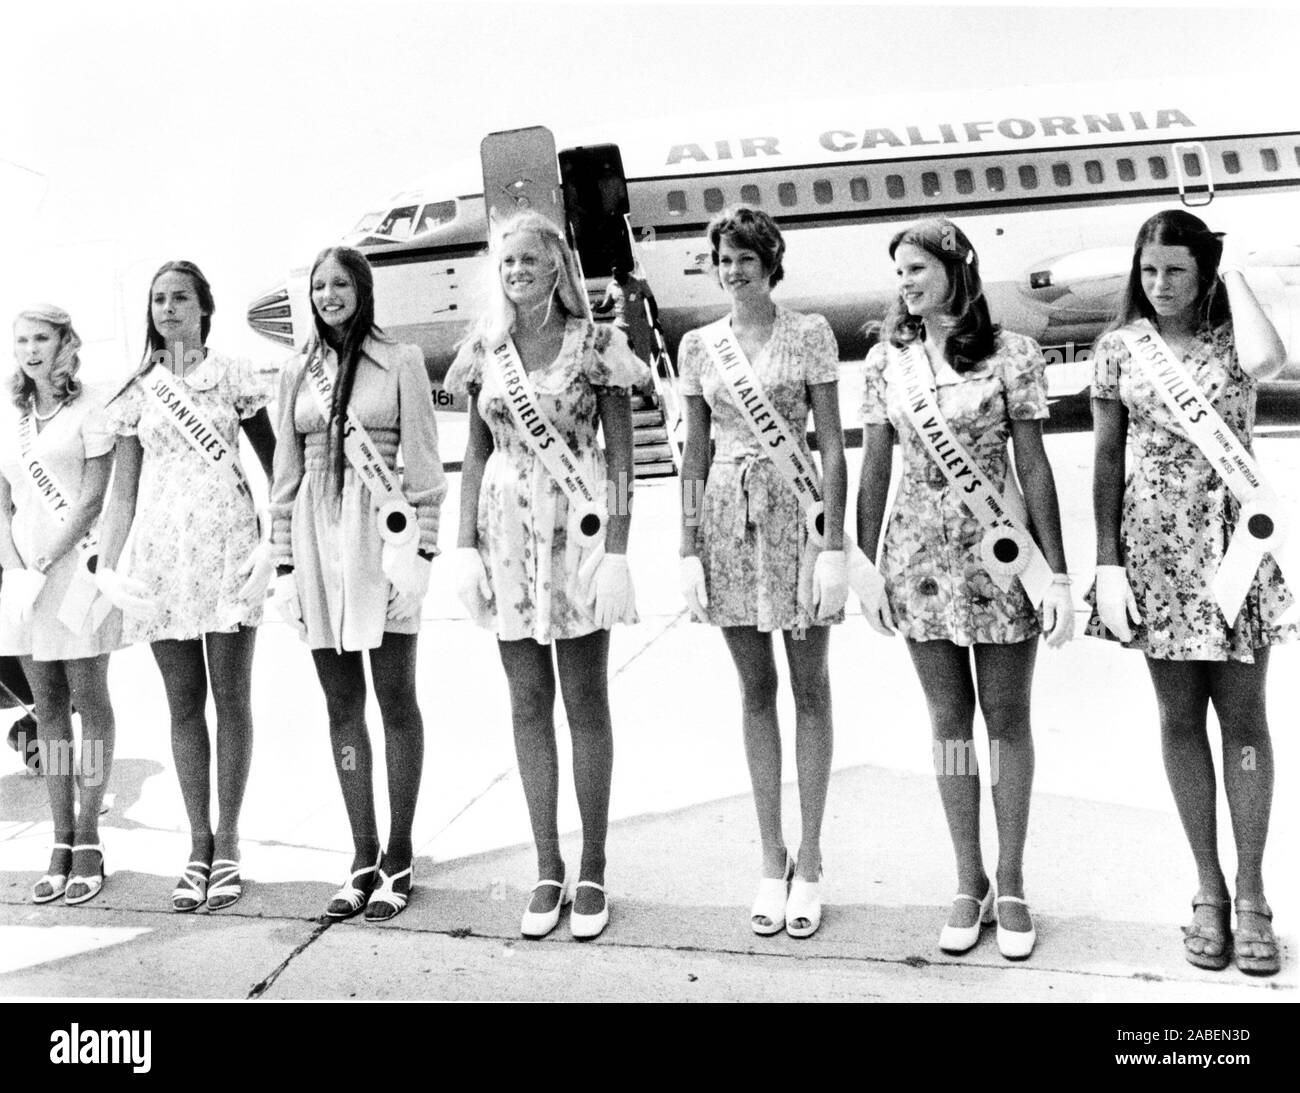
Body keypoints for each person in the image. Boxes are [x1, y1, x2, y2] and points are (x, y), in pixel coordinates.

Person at [857, 218, 1074, 960]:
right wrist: (862, 562)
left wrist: (1059, 571)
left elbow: (1035, 465)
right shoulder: (889, 361)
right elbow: (875, 467)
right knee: (950, 724)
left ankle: (1010, 879)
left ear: (956, 268)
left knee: (1007, 719)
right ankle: (967, 875)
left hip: (1002, 558)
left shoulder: (1013, 354)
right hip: (917, 561)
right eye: (900, 273)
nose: (907, 283)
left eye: (918, 268)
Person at [1088, 209, 1290, 976]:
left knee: (1244, 719)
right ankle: (1206, 888)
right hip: (1154, 553)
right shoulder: (1118, 350)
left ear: (1203, 272)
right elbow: (1107, 458)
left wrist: (1234, 270)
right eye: (1148, 271)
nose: (1160, 284)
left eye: (1176, 269)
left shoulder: (1236, 340)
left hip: (1235, 544)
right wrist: (1107, 561)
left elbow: (1273, 357)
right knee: (1178, 718)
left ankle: (1252, 893)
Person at [446, 210, 645, 941]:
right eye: (508, 263)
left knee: (584, 699)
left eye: (530, 260)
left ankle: (592, 863)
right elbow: (472, 454)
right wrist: (462, 545)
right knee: (527, 700)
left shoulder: (598, 347)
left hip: (579, 533)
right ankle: (546, 864)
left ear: (556, 266)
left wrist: (618, 549)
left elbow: (623, 459)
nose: (518, 272)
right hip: (505, 538)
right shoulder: (485, 349)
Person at [677, 205, 849, 939]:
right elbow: (692, 451)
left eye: (746, 257)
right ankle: (768, 854)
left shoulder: (809, 333)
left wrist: (834, 542)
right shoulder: (697, 346)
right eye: (724, 258)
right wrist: (686, 545)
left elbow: (835, 447)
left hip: (797, 513)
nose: (734, 269)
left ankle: (809, 857)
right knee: (754, 690)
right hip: (725, 516)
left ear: (769, 261)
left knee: (808, 687)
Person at [269, 245, 445, 922]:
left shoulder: (399, 361)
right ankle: (362, 851)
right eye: (318, 285)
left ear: (363, 289)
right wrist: (283, 565)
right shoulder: (296, 370)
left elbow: (426, 468)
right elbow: (285, 479)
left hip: (383, 537)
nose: (329, 294)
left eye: (341, 283)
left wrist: (421, 553)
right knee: (342, 705)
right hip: (317, 541)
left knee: (396, 697)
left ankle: (400, 852)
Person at [96, 261, 278, 912]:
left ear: (205, 307)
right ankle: (196, 842)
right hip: (162, 560)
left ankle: (228, 841)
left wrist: (272, 546)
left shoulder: (232, 375)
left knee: (231, 698)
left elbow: (277, 466)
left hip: (228, 550)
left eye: (180, 298)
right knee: (182, 705)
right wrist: (107, 566)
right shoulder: (139, 388)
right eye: (158, 299)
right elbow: (122, 491)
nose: (167, 308)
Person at [1, 305, 121, 903]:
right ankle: (60, 838)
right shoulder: (9, 417)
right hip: (22, 581)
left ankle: (92, 835)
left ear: (64, 342)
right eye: (20, 339)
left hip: (78, 572)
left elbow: (95, 496)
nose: (29, 348)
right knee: (46, 709)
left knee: (89, 703)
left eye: (40, 338)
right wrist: (15, 565)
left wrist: (47, 558)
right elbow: (0, 502)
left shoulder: (90, 407)